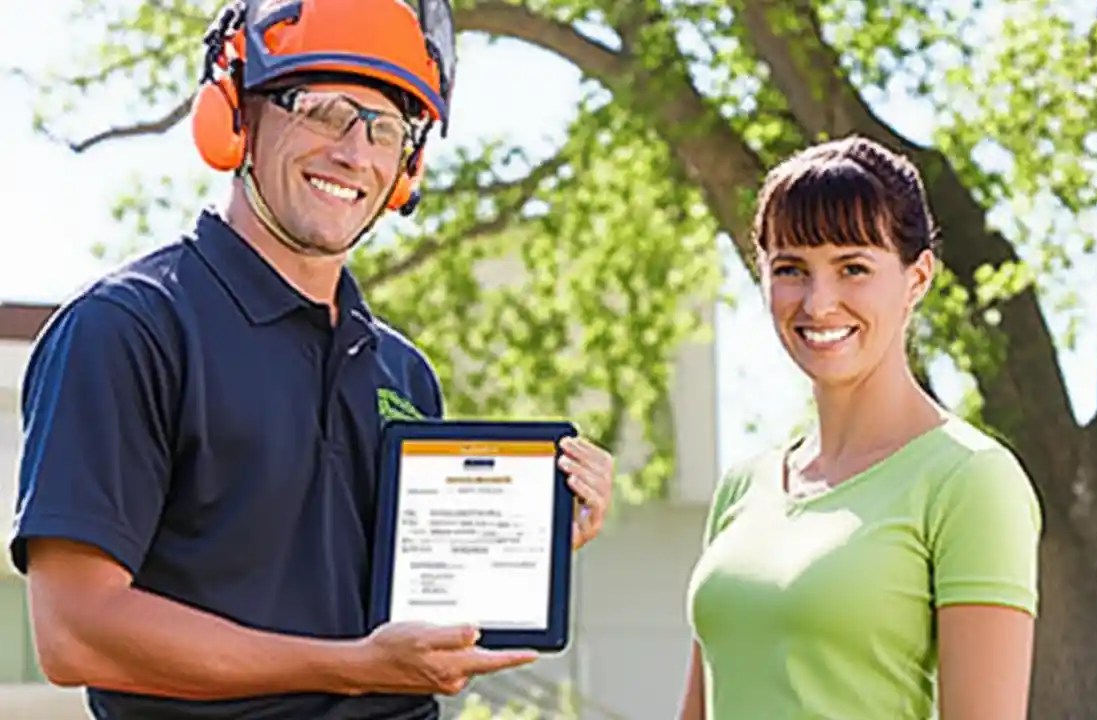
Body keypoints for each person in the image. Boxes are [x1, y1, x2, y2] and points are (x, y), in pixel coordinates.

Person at [9, 1, 615, 718]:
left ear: (407, 166)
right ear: (237, 117)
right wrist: (352, 669)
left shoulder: (401, 372)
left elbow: (401, 633)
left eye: (384, 128)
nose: (353, 153)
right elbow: (77, 633)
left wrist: (525, 547)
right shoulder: (128, 329)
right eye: (322, 110)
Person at [679, 135, 1042, 720]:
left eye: (853, 268)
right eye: (791, 269)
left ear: (917, 277)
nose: (819, 303)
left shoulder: (970, 480)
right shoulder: (743, 488)